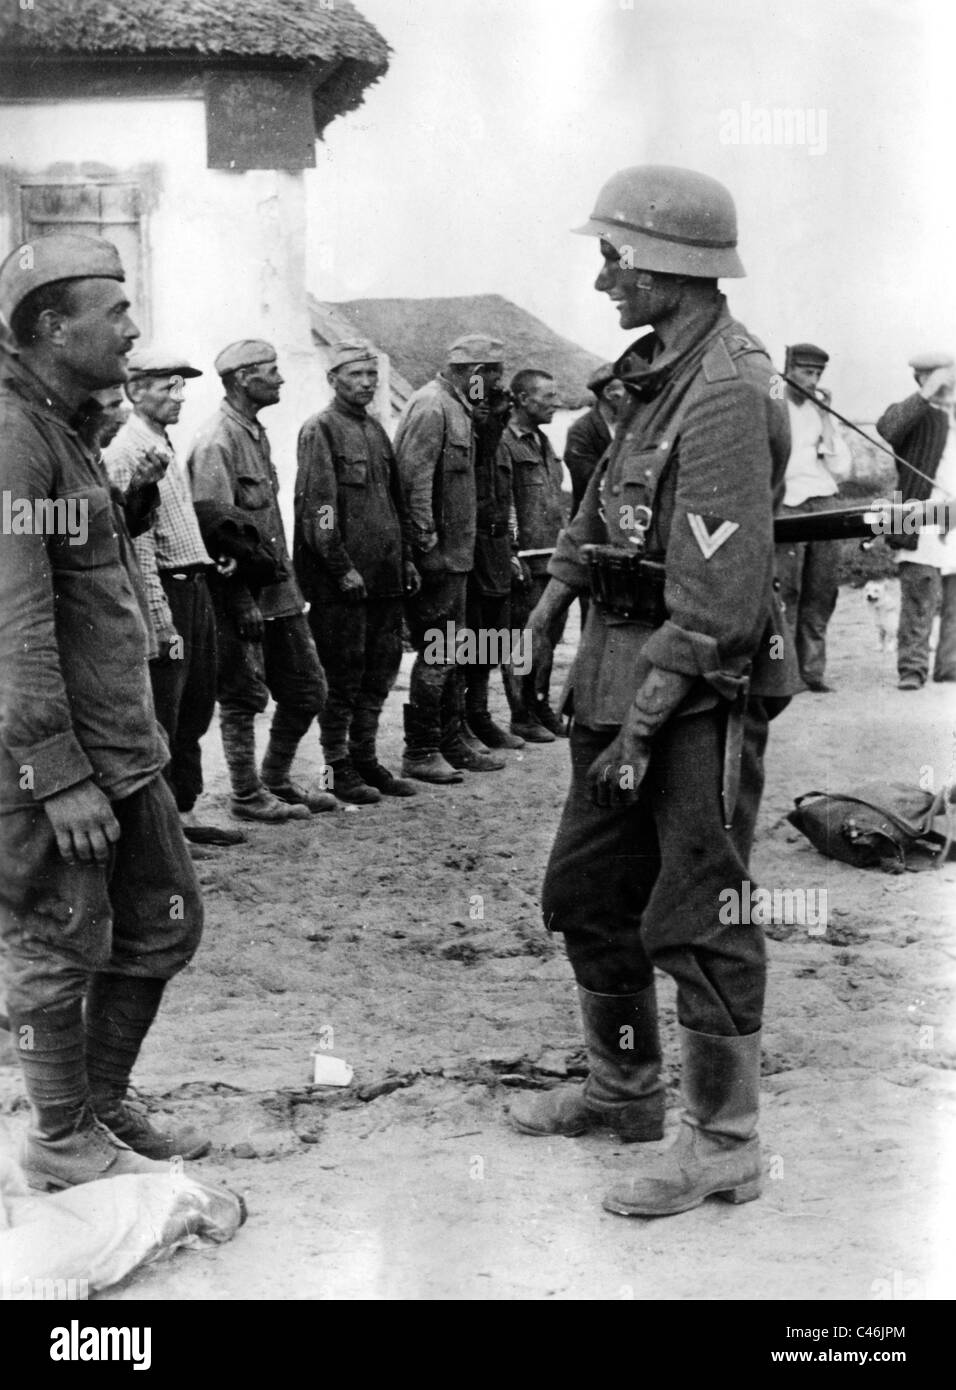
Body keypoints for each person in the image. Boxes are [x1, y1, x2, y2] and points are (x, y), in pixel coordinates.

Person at [507, 165, 797, 1218]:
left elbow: (717, 602)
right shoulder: (653, 372)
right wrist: (551, 603)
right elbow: (603, 506)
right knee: (590, 892)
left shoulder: (725, 389)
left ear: (671, 265)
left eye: (613, 258)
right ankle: (624, 1085)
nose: (600, 281)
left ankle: (722, 1141)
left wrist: (637, 726)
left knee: (697, 906)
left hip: (693, 690)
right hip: (619, 665)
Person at [0, 232, 210, 1187]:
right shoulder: (14, 437)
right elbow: (15, 621)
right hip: (58, 762)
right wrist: (56, 775)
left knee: (162, 922)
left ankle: (97, 1101)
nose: (134, 332)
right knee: (56, 939)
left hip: (120, 750)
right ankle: (58, 1138)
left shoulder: (64, 426)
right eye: (116, 313)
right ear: (52, 327)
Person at [187, 340, 334, 821]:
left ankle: (275, 779)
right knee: (243, 696)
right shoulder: (217, 441)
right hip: (244, 596)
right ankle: (247, 795)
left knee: (309, 689)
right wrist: (239, 601)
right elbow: (217, 533)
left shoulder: (253, 433)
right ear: (244, 378)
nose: (280, 379)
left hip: (279, 591)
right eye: (271, 372)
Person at [104, 347, 241, 843]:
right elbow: (133, 541)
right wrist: (158, 616)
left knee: (195, 706)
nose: (179, 396)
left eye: (182, 386)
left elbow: (174, 524)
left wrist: (209, 554)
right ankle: (160, 837)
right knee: (165, 711)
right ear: (134, 391)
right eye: (168, 386)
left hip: (193, 587)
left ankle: (181, 818)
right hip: (166, 596)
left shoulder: (162, 442)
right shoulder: (127, 451)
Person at [294, 342, 419, 801]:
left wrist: (404, 558)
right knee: (342, 676)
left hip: (384, 578)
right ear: (333, 379)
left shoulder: (375, 430)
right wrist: (339, 566)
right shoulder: (320, 430)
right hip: (342, 585)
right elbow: (320, 509)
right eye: (356, 375)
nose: (367, 382)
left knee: (380, 672)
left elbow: (393, 503)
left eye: (371, 374)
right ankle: (336, 768)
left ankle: (365, 759)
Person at [394, 334, 507, 782]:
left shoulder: (459, 407)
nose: (497, 384)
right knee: (438, 652)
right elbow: (414, 481)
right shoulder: (432, 406)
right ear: (474, 373)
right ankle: (420, 751)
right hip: (438, 557)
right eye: (493, 374)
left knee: (453, 650)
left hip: (455, 555)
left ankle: (450, 742)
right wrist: (425, 546)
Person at [773, 343, 853, 692]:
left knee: (822, 590)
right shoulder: (773, 406)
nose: (813, 379)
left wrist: (826, 418)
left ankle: (812, 671)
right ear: (788, 370)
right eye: (806, 371)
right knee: (785, 591)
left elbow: (841, 470)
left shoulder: (823, 413)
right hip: (786, 505)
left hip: (824, 504)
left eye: (818, 373)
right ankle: (782, 673)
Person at [876, 352, 956, 688]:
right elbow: (888, 428)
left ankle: (950, 666)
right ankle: (912, 667)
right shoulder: (914, 414)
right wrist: (926, 395)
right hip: (917, 514)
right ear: (922, 378)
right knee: (919, 595)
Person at [500, 368, 569, 740]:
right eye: (548, 396)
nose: (556, 402)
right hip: (526, 561)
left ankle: (540, 706)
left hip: (551, 559)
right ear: (523, 399)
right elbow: (506, 503)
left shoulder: (542, 442)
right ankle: (521, 714)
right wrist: (512, 554)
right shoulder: (506, 444)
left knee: (548, 640)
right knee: (523, 640)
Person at [463, 382, 527, 752]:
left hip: (499, 549)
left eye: (504, 412)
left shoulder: (501, 448)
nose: (498, 418)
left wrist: (514, 550)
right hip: (471, 550)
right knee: (466, 639)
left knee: (493, 640)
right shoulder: (468, 446)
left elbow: (510, 503)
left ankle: (480, 715)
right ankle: (460, 722)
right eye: (489, 410)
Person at [565, 363, 627, 519]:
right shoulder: (580, 431)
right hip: (591, 523)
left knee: (629, 539)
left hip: (625, 513)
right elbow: (591, 481)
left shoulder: (632, 427)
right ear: (609, 393)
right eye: (628, 389)